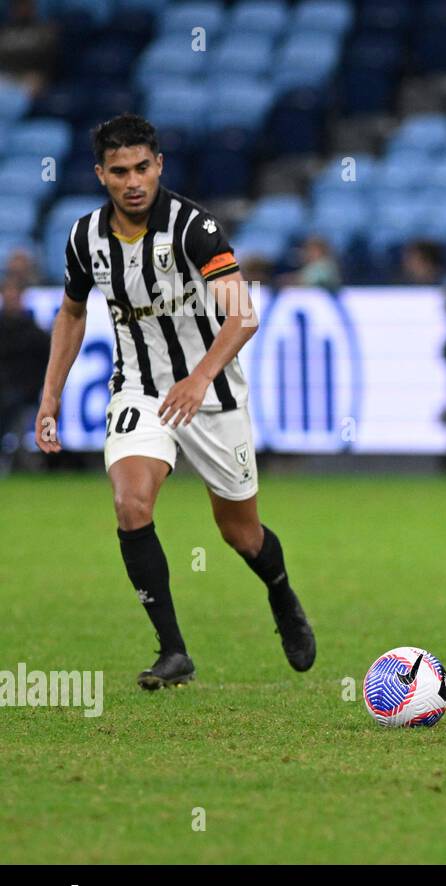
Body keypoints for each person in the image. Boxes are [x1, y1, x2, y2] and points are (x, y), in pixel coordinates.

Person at [33, 114, 316, 689]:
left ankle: (281, 595)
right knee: (131, 504)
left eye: (142, 167)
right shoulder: (84, 237)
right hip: (139, 388)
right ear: (101, 175)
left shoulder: (196, 228)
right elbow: (71, 312)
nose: (133, 181)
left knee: (241, 533)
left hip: (212, 394)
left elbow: (243, 314)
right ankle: (173, 650)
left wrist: (199, 377)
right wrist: (50, 398)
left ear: (159, 165)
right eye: (120, 171)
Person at [0, 272, 48, 473]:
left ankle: (14, 460)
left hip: (23, 394)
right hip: (5, 390)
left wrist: (33, 389)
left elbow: (44, 365)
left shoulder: (33, 332)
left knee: (13, 406)